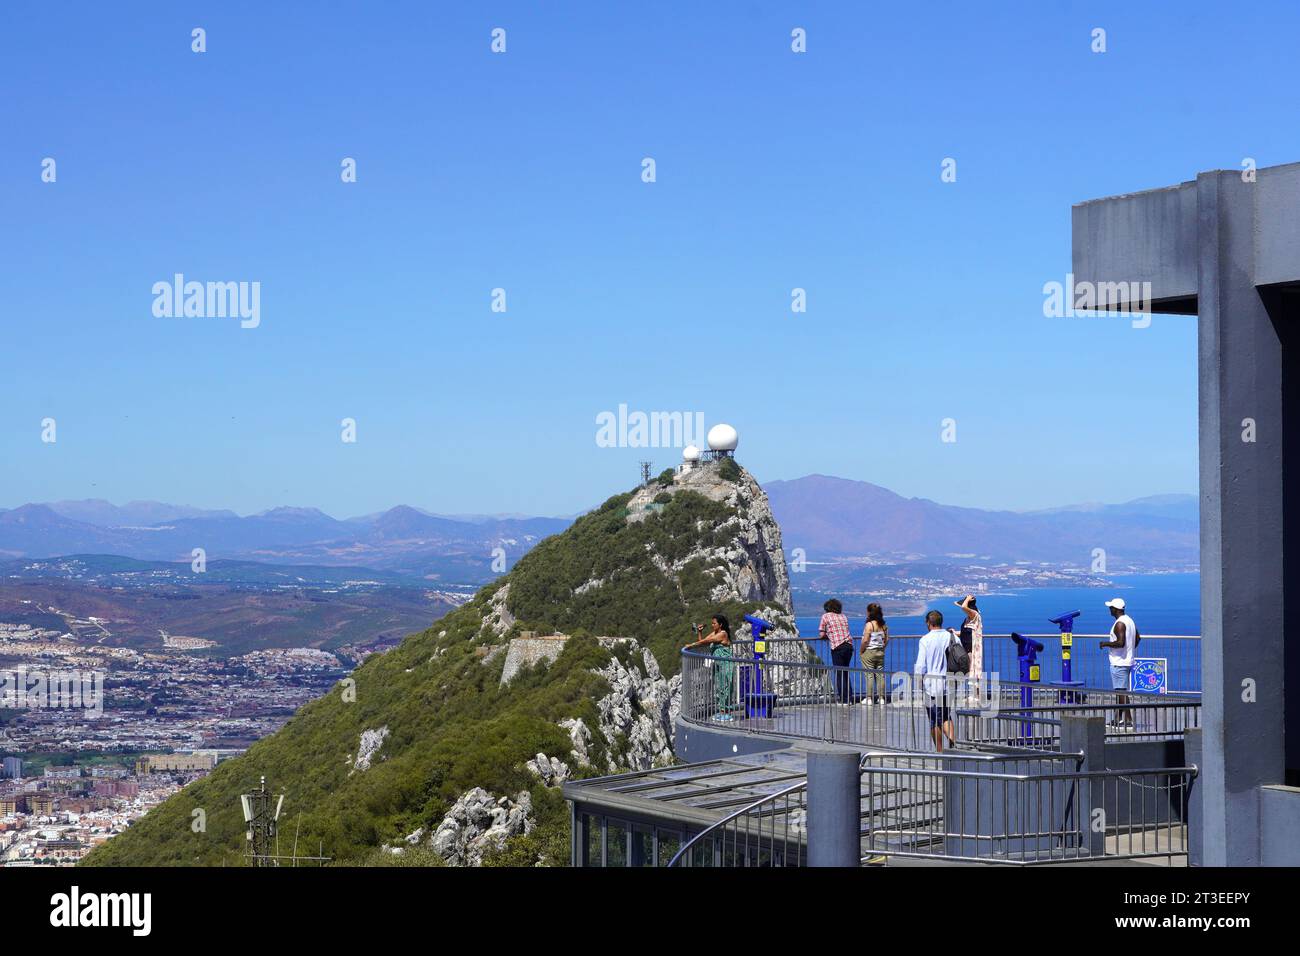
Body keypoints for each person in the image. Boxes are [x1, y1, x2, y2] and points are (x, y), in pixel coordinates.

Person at [915, 610, 957, 751]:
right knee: (946, 716)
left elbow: (920, 666)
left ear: (929, 623)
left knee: (934, 721)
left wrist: (918, 684)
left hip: (932, 687)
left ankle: (940, 751)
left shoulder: (925, 640)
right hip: (949, 684)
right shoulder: (952, 637)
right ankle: (953, 745)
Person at [686, 614, 734, 721]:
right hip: (718, 664)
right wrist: (699, 632)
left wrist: (691, 645)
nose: (712, 625)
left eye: (714, 623)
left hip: (726, 663)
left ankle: (726, 712)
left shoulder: (723, 634)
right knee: (719, 687)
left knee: (725, 687)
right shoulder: (715, 633)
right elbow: (703, 642)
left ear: (720, 624)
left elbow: (707, 641)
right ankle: (722, 711)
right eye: (712, 623)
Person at [1099, 598, 1138, 729]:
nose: (1109, 609)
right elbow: (1137, 638)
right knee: (1120, 691)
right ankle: (1118, 719)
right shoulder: (1129, 620)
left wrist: (1105, 644)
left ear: (1115, 609)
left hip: (1119, 662)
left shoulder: (1120, 623)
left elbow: (1120, 643)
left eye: (1110, 607)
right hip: (1127, 660)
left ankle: (1128, 720)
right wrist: (1130, 650)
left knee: (1121, 692)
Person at [819, 598, 854, 703]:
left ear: (827, 608)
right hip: (849, 646)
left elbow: (821, 634)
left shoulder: (826, 616)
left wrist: (827, 636)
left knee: (839, 673)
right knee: (846, 672)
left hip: (837, 647)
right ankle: (849, 698)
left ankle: (843, 700)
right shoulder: (843, 616)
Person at [955, 595, 983, 705]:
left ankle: (976, 697)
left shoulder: (974, 614)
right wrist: (954, 633)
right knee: (971, 671)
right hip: (968, 648)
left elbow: (963, 607)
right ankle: (974, 695)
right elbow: (967, 633)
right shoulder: (969, 618)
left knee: (975, 671)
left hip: (973, 648)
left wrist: (967, 599)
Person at [861, 603, 889, 704]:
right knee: (880, 675)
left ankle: (869, 698)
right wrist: (882, 648)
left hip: (869, 652)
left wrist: (861, 651)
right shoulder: (884, 625)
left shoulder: (870, 625)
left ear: (869, 612)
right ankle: (881, 698)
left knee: (869, 675)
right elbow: (886, 639)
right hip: (880, 652)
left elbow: (865, 641)